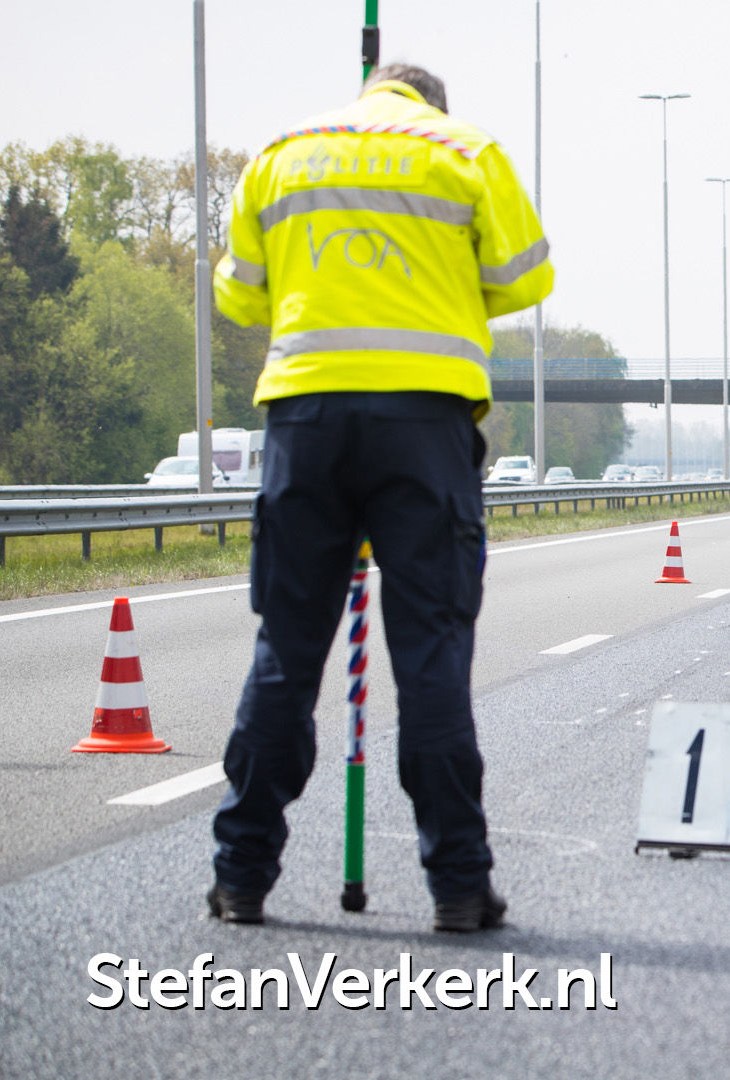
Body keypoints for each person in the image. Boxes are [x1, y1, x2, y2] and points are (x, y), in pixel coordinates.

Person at [206, 63, 552, 932]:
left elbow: (238, 294)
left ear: (366, 91)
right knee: (432, 653)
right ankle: (459, 888)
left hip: (305, 418)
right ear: (432, 102)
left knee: (287, 647)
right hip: (425, 423)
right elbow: (525, 279)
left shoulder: (284, 153)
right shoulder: (466, 151)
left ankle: (242, 875)